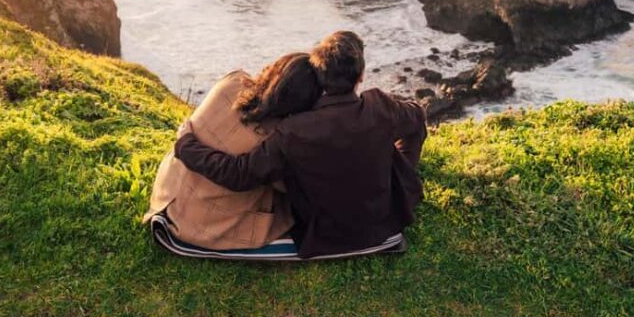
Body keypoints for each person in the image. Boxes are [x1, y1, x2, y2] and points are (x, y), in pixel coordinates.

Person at [174, 31, 426, 259]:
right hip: (387, 222)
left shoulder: (293, 132)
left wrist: (186, 144)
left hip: (327, 238)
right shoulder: (380, 107)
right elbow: (417, 119)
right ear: (361, 76)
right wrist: (403, 171)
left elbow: (240, 174)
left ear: (319, 75)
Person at [144, 53, 322, 250]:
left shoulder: (232, 82)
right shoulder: (275, 141)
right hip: (205, 224)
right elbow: (289, 188)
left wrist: (184, 142)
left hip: (170, 196)